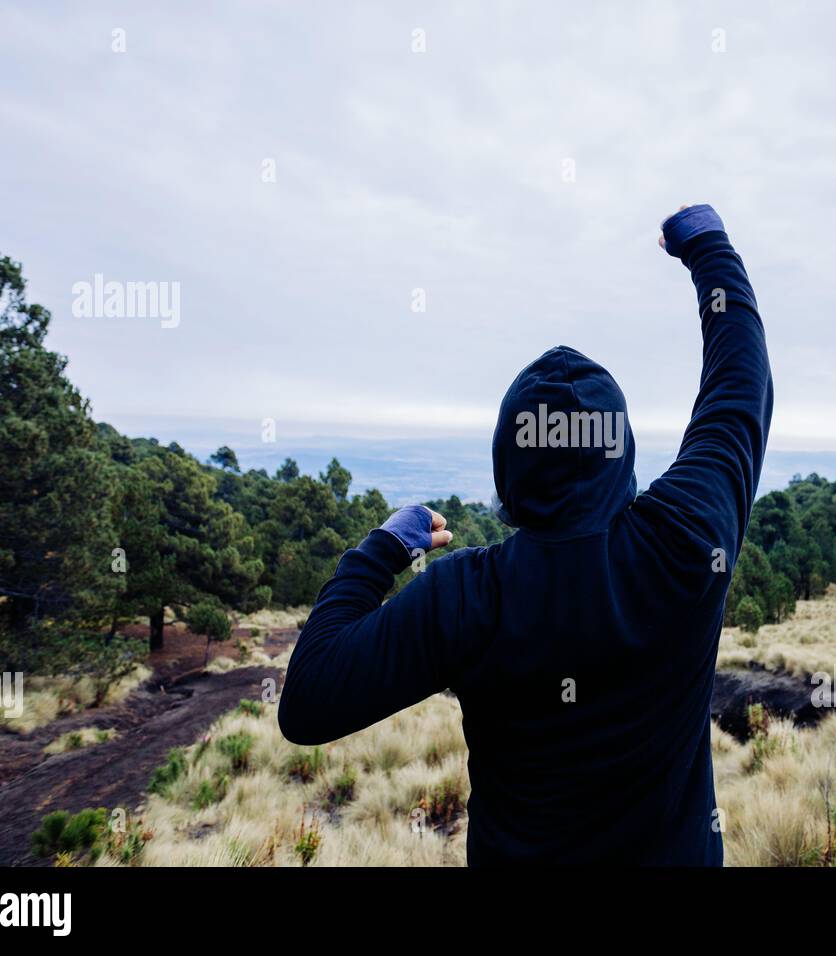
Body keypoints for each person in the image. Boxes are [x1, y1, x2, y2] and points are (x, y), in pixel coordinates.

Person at [278, 204, 773, 864]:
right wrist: (707, 249)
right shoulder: (687, 541)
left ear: (508, 475)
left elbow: (308, 703)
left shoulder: (466, 598)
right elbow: (739, 384)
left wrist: (381, 551)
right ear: (620, 454)